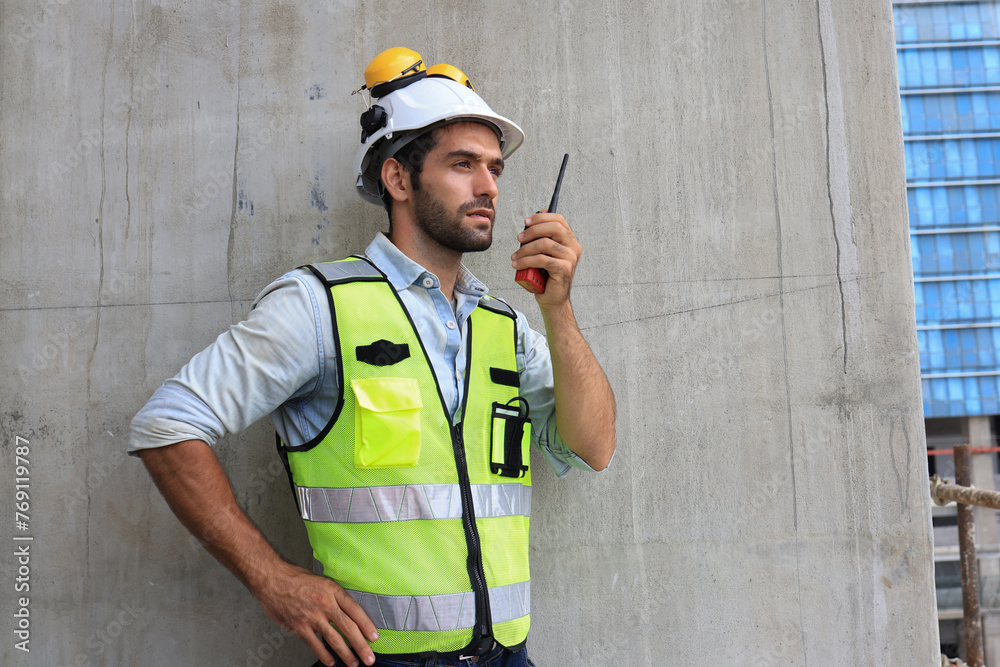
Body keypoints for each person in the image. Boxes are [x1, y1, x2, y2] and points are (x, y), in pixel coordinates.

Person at [128, 47, 615, 667]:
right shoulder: (318, 306)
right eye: (463, 164)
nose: (489, 186)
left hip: (507, 657)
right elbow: (165, 425)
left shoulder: (505, 325)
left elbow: (594, 448)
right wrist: (273, 581)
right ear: (398, 179)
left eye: (494, 168)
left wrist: (560, 310)